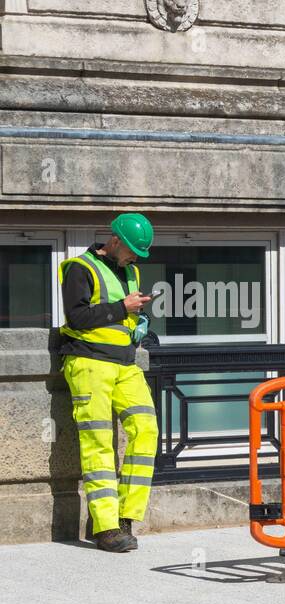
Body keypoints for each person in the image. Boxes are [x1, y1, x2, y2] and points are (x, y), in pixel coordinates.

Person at [59, 213, 158, 553]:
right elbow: (77, 317)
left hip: (125, 363)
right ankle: (106, 528)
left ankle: (127, 515)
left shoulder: (131, 271)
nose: (134, 259)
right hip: (89, 362)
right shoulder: (79, 268)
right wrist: (122, 307)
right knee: (98, 442)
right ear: (114, 241)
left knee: (147, 430)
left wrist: (137, 320)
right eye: (131, 251)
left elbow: (121, 313)